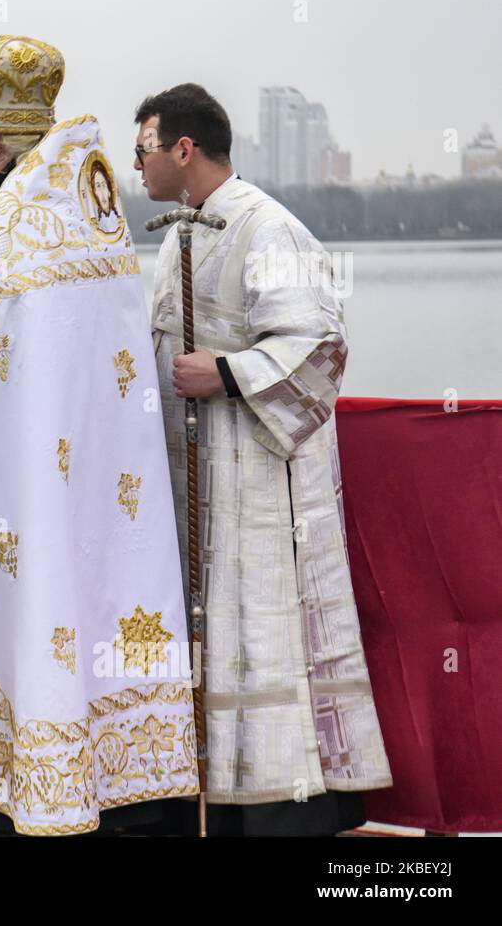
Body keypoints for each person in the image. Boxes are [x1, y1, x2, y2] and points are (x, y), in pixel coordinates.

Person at [0, 35, 198, 835]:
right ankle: (119, 789)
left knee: (32, 609)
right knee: (98, 601)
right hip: (104, 475)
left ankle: (8, 799)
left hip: (19, 482)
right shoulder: (93, 216)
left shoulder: (1, 231)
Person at [132, 82, 392, 835]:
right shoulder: (178, 235)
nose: (136, 167)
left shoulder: (269, 228)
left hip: (256, 484)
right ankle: (203, 797)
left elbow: (319, 346)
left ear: (184, 149)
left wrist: (226, 372)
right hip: (192, 479)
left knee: (259, 632)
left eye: (144, 150)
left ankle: (279, 805)